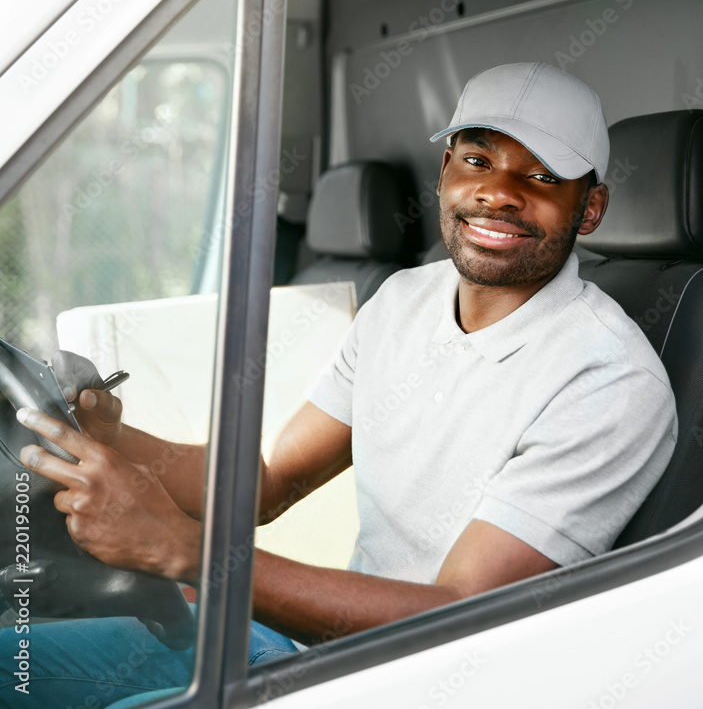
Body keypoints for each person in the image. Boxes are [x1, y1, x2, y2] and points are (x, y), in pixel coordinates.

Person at [0, 62, 677, 708]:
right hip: (301, 643)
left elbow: (458, 615)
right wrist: (101, 435)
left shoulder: (607, 381)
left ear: (588, 210)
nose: (498, 192)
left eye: (541, 176)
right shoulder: (404, 300)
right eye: (478, 159)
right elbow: (267, 480)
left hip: (406, 683)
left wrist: (182, 550)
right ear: (446, 172)